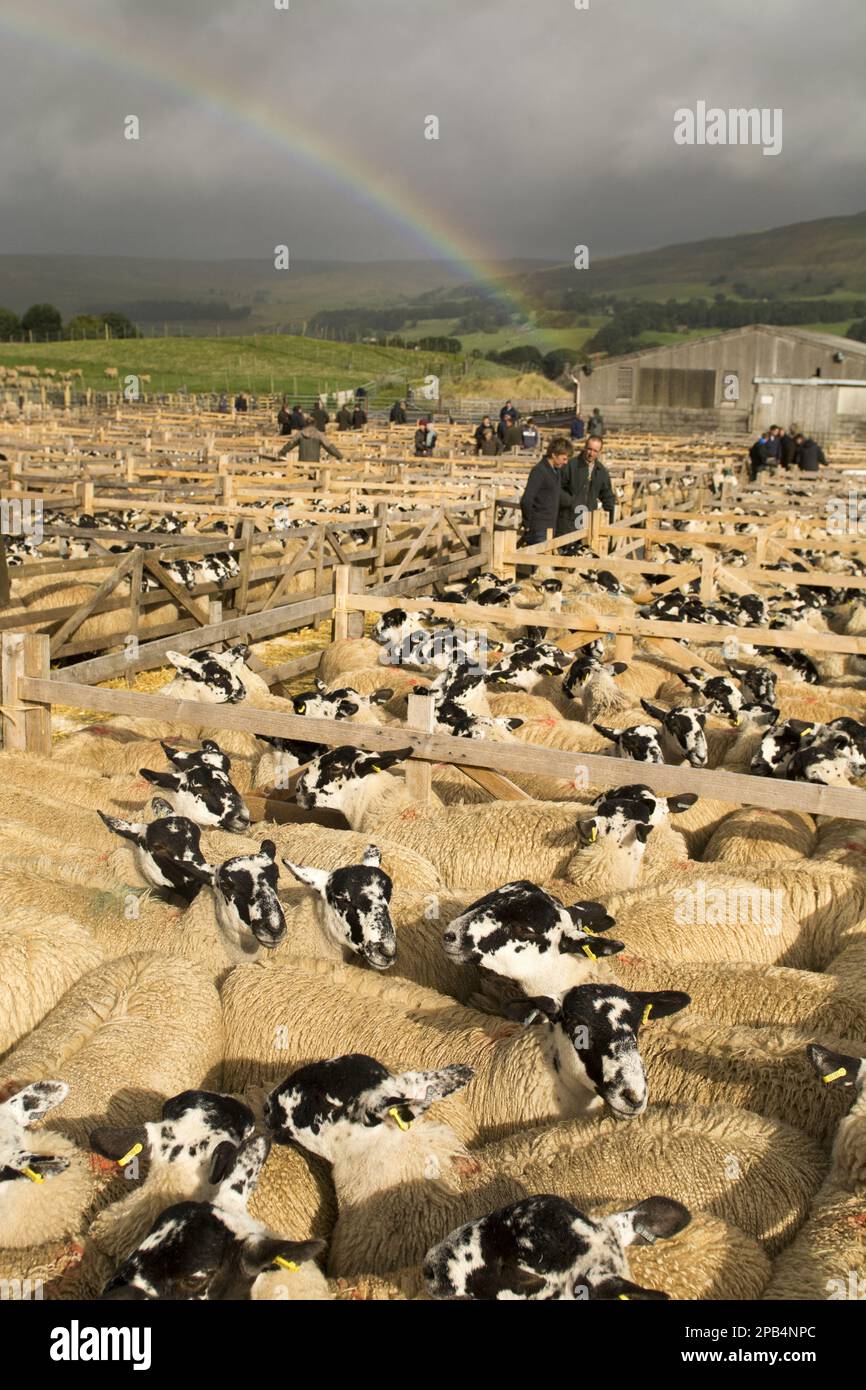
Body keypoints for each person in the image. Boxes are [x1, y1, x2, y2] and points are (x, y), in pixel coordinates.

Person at [556, 434, 616, 535]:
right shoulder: (570, 465)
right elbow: (558, 488)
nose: (591, 453)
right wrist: (570, 502)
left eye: (595, 451)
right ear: (584, 447)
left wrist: (608, 522)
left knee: (584, 549)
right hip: (567, 521)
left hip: (588, 522)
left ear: (600, 452)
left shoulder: (601, 471)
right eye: (589, 449)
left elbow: (608, 497)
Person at [520, 436, 571, 545]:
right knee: (538, 560)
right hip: (539, 528)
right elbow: (526, 500)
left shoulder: (556, 472)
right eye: (564, 459)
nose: (566, 462)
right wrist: (528, 524)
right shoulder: (539, 471)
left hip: (550, 526)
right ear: (554, 455)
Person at [278, 426, 344, 464]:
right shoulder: (318, 434)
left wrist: (282, 452)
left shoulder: (300, 434)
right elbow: (329, 447)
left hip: (302, 463)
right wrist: (339, 456)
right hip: (315, 464)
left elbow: (290, 444)